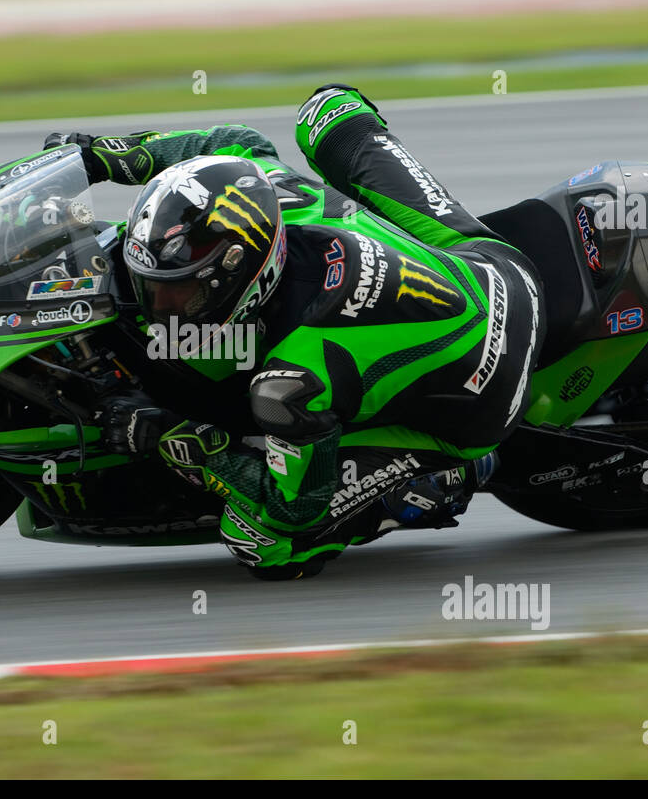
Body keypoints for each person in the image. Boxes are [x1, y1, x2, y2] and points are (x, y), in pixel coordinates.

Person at [47, 85, 544, 579]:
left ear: (236, 275)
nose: (160, 306)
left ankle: (445, 477)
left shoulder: (290, 381)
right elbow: (231, 141)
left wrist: (170, 435)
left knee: (265, 544)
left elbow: (292, 507)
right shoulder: (258, 191)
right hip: (485, 262)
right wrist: (109, 158)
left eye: (176, 294)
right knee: (328, 107)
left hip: (486, 393)